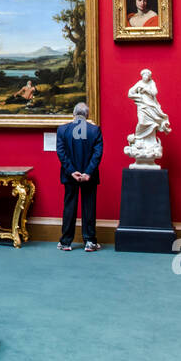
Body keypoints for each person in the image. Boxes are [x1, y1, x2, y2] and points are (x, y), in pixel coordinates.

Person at [55, 101, 103, 252]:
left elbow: (61, 153)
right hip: (89, 176)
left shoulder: (62, 130)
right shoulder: (95, 130)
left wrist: (71, 171)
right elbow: (97, 154)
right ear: (87, 115)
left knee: (69, 207)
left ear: (74, 114)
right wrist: (88, 172)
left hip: (70, 176)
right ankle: (90, 241)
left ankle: (65, 242)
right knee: (89, 207)